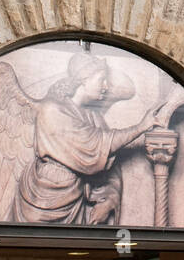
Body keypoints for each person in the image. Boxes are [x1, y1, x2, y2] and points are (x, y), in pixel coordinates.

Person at [12, 54, 162, 225]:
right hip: (43, 199)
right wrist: (141, 127)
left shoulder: (93, 117)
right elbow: (98, 144)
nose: (105, 86)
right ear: (84, 80)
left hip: (77, 196)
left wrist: (110, 200)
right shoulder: (52, 110)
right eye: (101, 80)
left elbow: (111, 170)